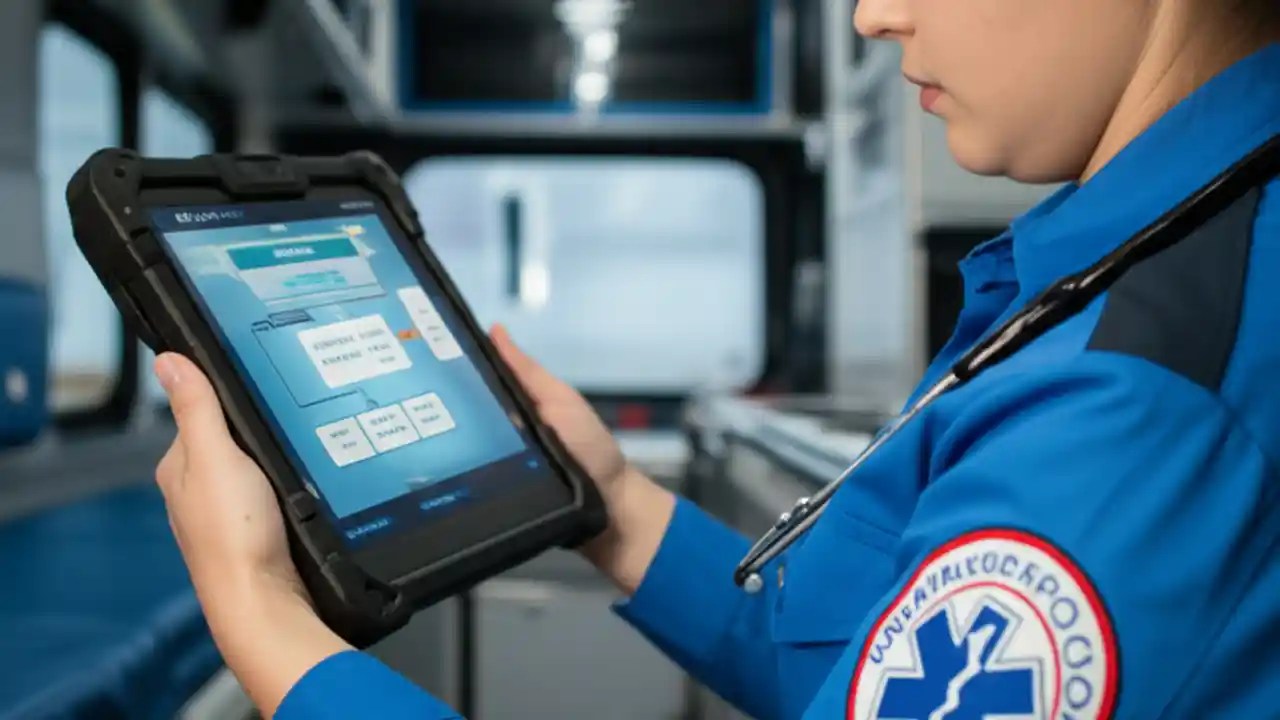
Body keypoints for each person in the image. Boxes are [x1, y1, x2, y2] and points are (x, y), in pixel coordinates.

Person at [152, 1, 1280, 718]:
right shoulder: (1141, 263)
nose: (874, 16)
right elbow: (869, 673)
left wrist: (265, 623)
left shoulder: (1141, 396)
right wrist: (610, 501)